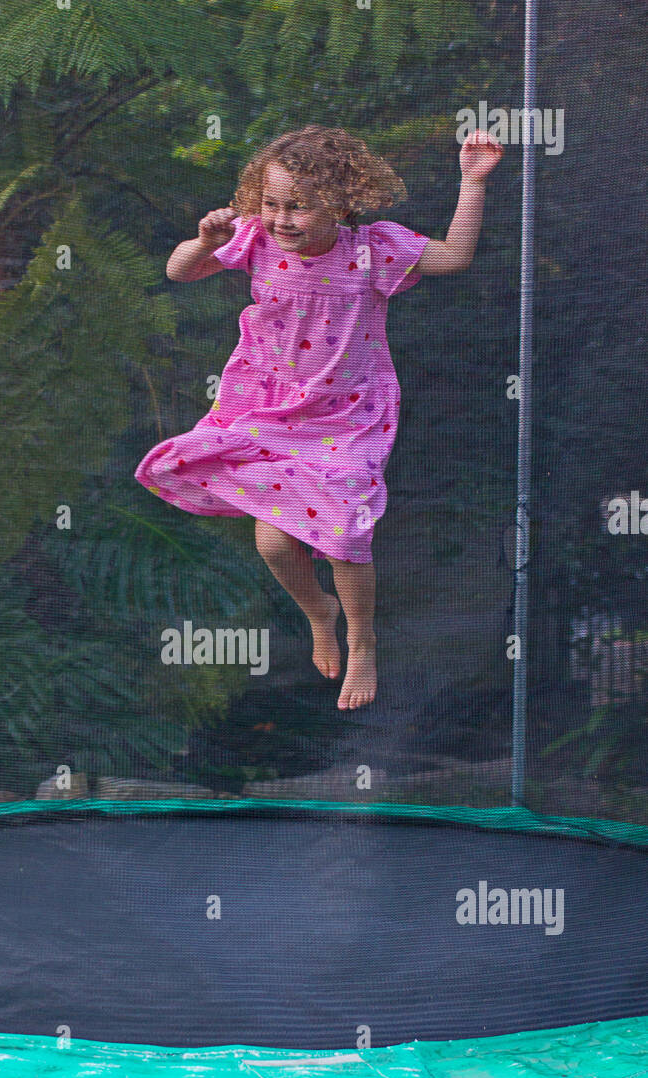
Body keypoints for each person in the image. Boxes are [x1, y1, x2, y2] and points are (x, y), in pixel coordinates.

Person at [135, 124, 503, 708]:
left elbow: (455, 257)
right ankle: (319, 610)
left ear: (340, 201)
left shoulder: (372, 249)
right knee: (277, 547)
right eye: (272, 203)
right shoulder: (255, 239)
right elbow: (178, 271)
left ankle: (362, 642)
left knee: (343, 534)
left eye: (299, 206)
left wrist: (472, 181)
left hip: (347, 415)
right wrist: (204, 241)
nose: (282, 218)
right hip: (269, 409)